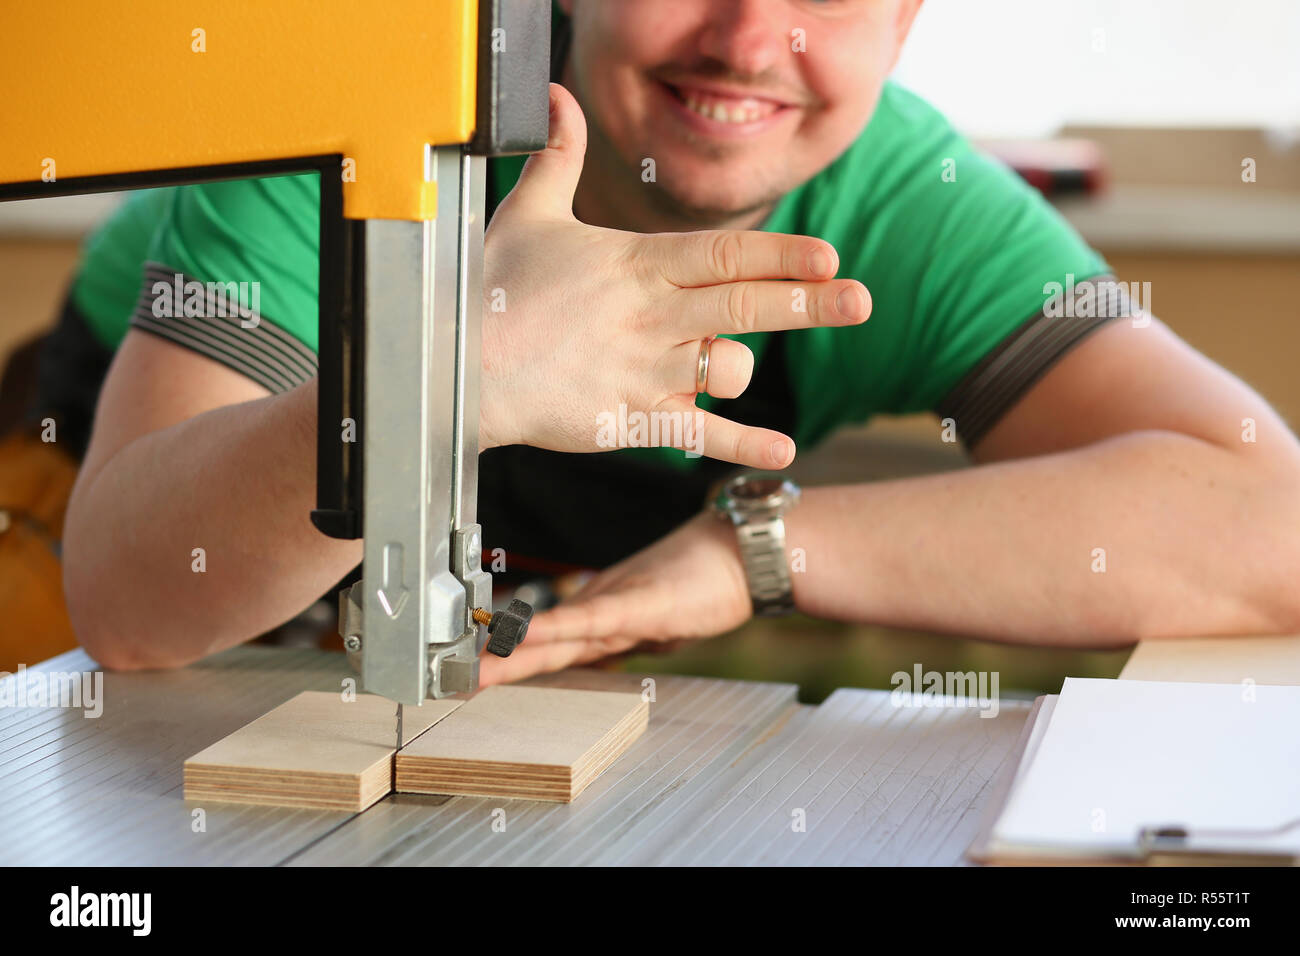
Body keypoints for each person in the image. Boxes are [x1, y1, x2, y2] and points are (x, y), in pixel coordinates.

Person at [43, 1, 1300, 681]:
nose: (749, 42)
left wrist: (757, 546)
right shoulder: (361, 100)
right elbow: (131, 606)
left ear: (907, 23)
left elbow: (1268, 520)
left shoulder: (911, 201)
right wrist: (447, 376)